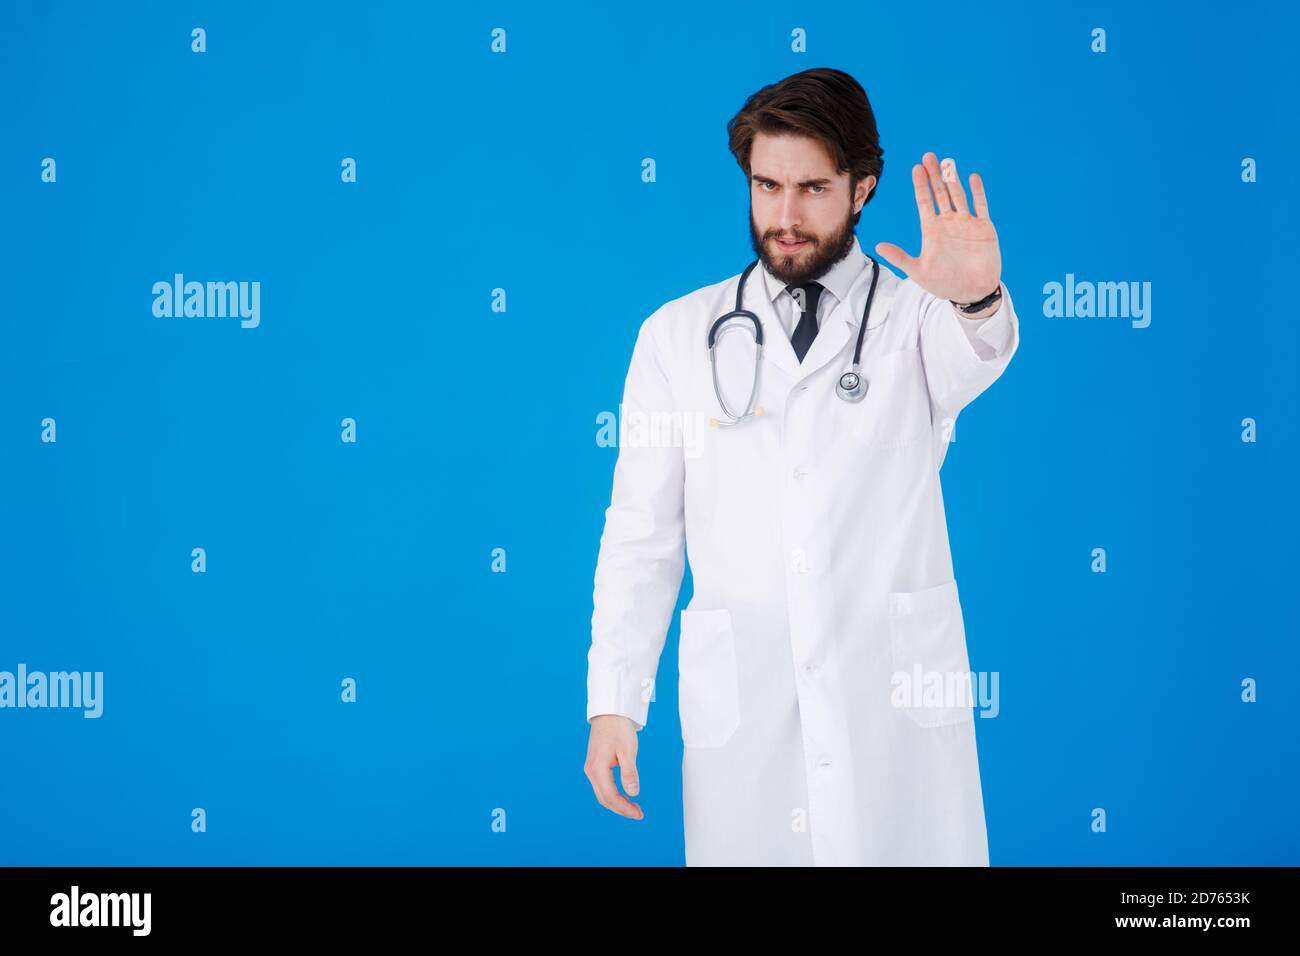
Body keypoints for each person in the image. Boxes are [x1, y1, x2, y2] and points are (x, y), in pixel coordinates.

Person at [583, 67, 1019, 866]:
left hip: (892, 707)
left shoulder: (917, 318)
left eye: (813, 188)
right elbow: (642, 534)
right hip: (747, 710)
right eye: (766, 185)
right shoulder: (677, 336)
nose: (784, 218)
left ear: (862, 188)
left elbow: (979, 355)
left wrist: (977, 300)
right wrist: (616, 700)